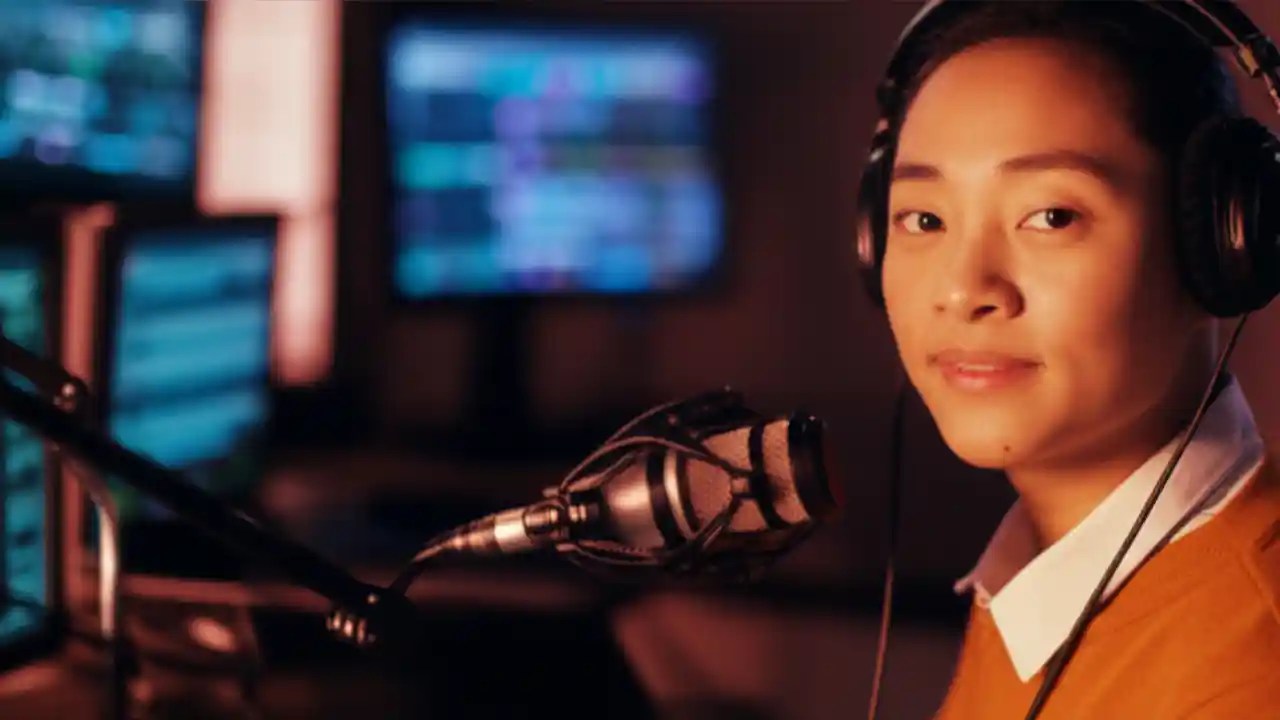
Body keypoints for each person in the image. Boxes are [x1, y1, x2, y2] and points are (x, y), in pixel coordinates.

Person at [865, 1, 1280, 717]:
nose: (964, 289)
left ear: (1220, 242)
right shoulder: (1039, 579)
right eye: (924, 219)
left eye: (1051, 217)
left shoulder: (1249, 672)